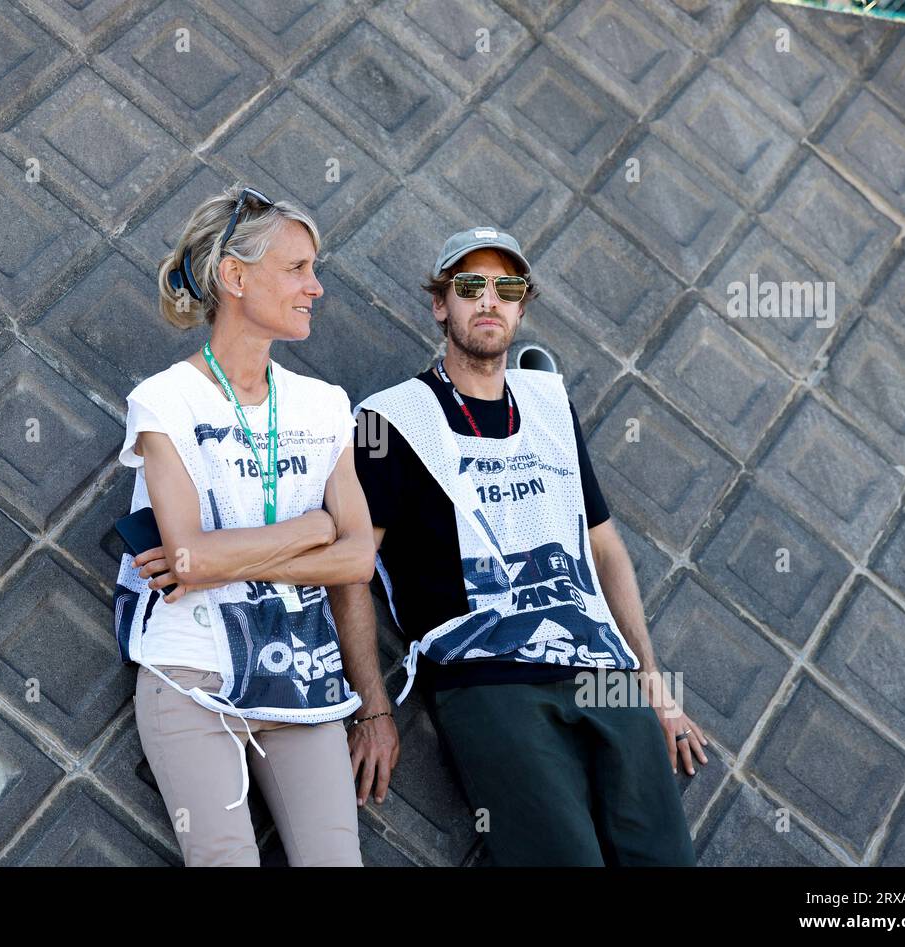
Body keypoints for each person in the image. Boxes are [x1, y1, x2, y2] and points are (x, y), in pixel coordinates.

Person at [330, 226, 708, 866]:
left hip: (604, 673)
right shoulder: (388, 419)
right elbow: (348, 571)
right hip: (489, 679)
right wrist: (372, 708)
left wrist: (653, 682)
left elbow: (604, 545)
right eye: (469, 286)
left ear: (521, 306)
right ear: (439, 304)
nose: (489, 301)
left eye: (506, 288)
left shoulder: (548, 402)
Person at [112, 184, 379, 866]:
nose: (315, 288)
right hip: (190, 677)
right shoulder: (163, 401)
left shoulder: (325, 406)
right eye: (296, 269)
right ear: (235, 277)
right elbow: (191, 559)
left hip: (301, 680)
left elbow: (356, 562)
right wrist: (314, 525)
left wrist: (228, 557)